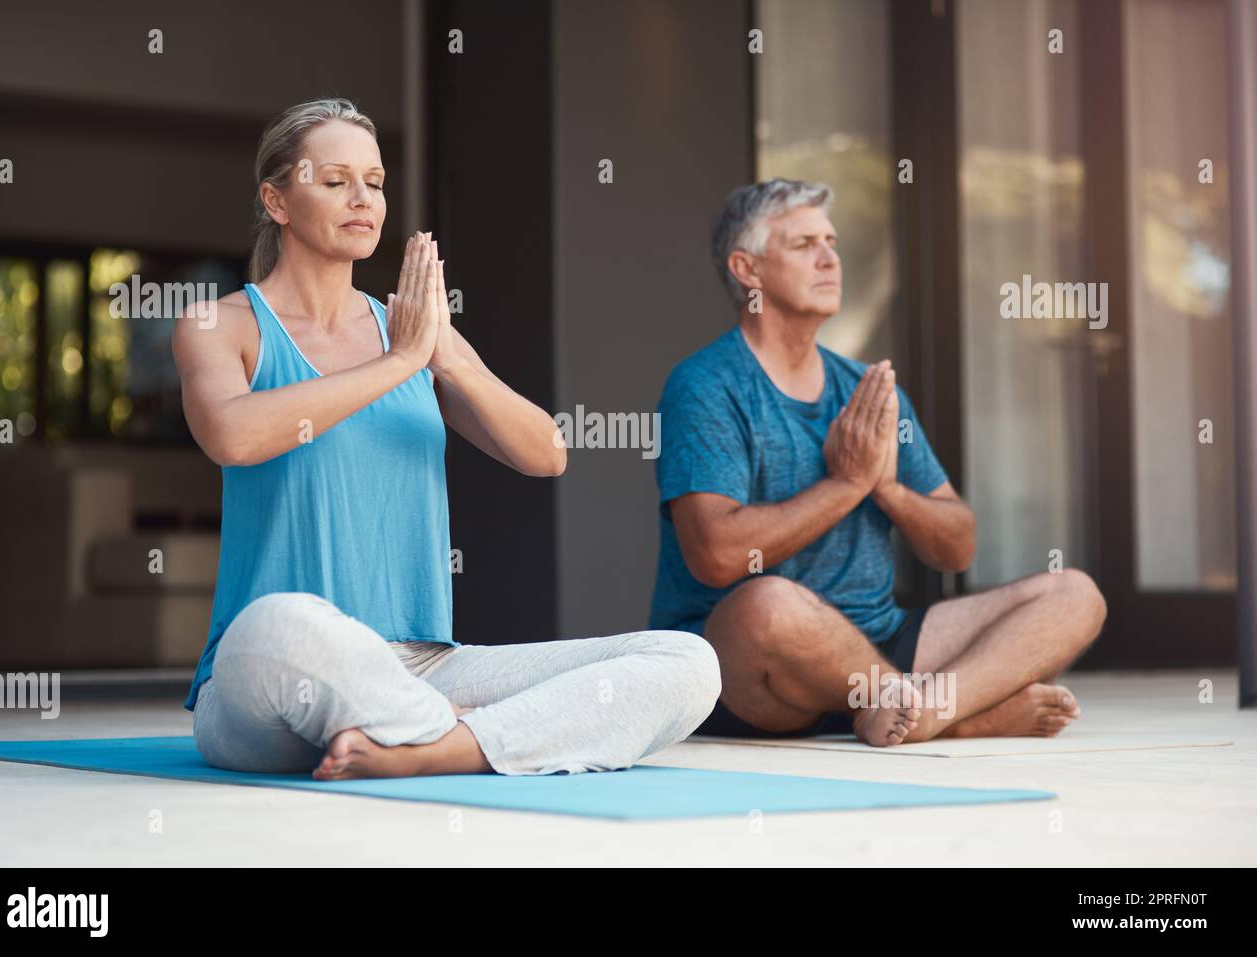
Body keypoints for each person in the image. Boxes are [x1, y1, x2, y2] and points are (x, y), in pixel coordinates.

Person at [173, 98, 720, 779]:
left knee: (687, 662)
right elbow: (232, 434)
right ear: (276, 200)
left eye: (374, 182)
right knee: (283, 625)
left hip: (427, 665)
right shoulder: (220, 325)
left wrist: (444, 355)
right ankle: (479, 738)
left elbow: (545, 452)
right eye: (335, 179)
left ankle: (436, 748)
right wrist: (397, 364)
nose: (363, 198)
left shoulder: (415, 330)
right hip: (274, 678)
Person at [648, 178, 1105, 747]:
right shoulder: (706, 385)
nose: (829, 258)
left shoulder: (866, 390)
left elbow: (956, 546)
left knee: (1074, 593)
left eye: (832, 242)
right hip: (754, 665)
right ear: (749, 269)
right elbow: (715, 556)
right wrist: (847, 484)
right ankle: (961, 715)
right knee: (767, 605)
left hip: (878, 642)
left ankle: (920, 712)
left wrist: (887, 489)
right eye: (804, 245)